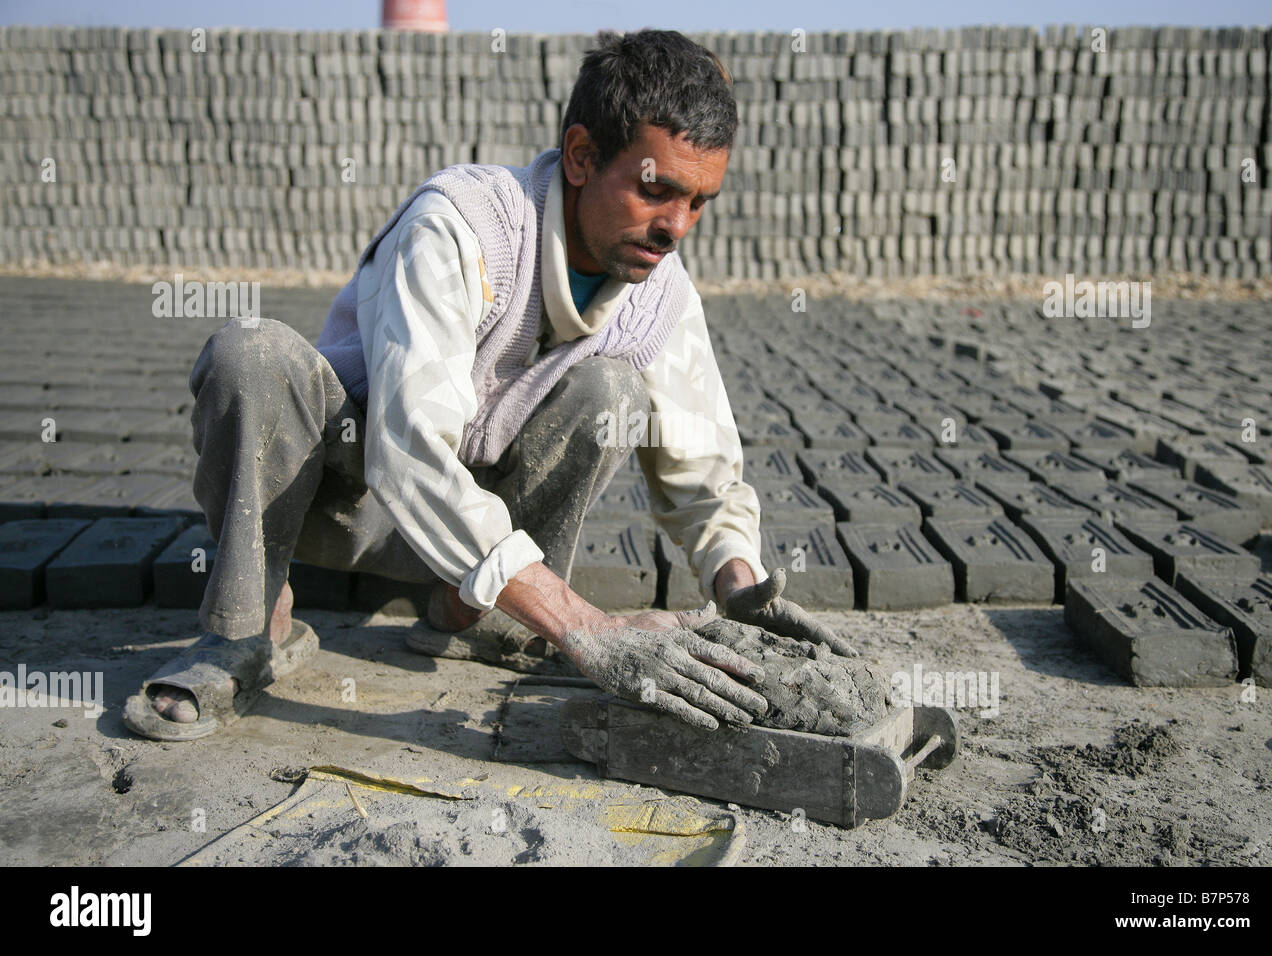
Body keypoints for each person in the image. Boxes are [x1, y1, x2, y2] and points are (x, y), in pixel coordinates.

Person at [123, 28, 856, 743]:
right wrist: (585, 627)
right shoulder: (463, 226)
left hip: (478, 533)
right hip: (342, 501)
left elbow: (705, 470)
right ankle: (249, 628)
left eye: (699, 202)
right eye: (655, 189)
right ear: (579, 155)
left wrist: (738, 584)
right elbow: (405, 451)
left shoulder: (659, 290)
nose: (677, 227)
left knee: (613, 395)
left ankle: (475, 617)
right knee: (250, 354)